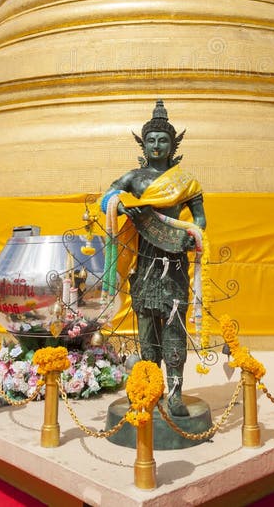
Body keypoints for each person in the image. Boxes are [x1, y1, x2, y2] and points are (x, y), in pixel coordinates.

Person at [100, 100, 206, 416]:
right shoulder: (135, 177)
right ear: (143, 144)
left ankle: (174, 393)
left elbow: (200, 218)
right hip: (144, 259)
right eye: (151, 140)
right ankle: (149, 386)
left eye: (163, 140)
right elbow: (107, 197)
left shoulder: (186, 181)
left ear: (173, 145)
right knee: (146, 327)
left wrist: (191, 233)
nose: (157, 145)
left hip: (173, 259)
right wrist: (120, 206)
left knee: (174, 325)